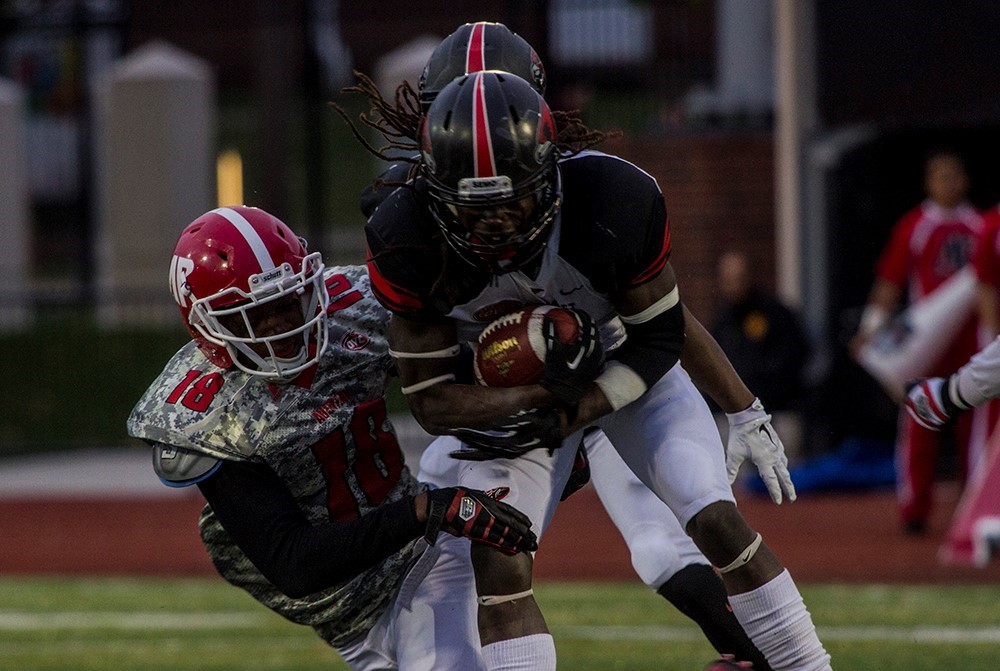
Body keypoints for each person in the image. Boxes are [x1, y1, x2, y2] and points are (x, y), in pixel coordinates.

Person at [354, 21, 792, 669]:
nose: (481, 150)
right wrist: (518, 389)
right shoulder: (406, 215)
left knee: (663, 549)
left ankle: (782, 661)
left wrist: (742, 404)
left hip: (612, 378)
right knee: (449, 570)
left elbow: (663, 320)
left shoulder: (586, 193)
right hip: (504, 404)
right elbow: (429, 382)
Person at [126, 206, 539, 670]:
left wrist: (523, 401)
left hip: (416, 557)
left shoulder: (353, 307)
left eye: (290, 300)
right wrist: (425, 510)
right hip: (344, 614)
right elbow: (294, 564)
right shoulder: (200, 413)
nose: (283, 323)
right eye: (256, 314)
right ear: (207, 326)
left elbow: (455, 369)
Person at [852, 149, 983, 534]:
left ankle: (976, 507)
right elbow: (890, 281)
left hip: (970, 344)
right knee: (919, 419)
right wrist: (871, 327)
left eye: (954, 176)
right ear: (929, 183)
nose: (949, 185)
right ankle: (915, 509)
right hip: (926, 344)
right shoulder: (915, 226)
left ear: (965, 181)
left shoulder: (981, 226)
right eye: (940, 177)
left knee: (975, 428)